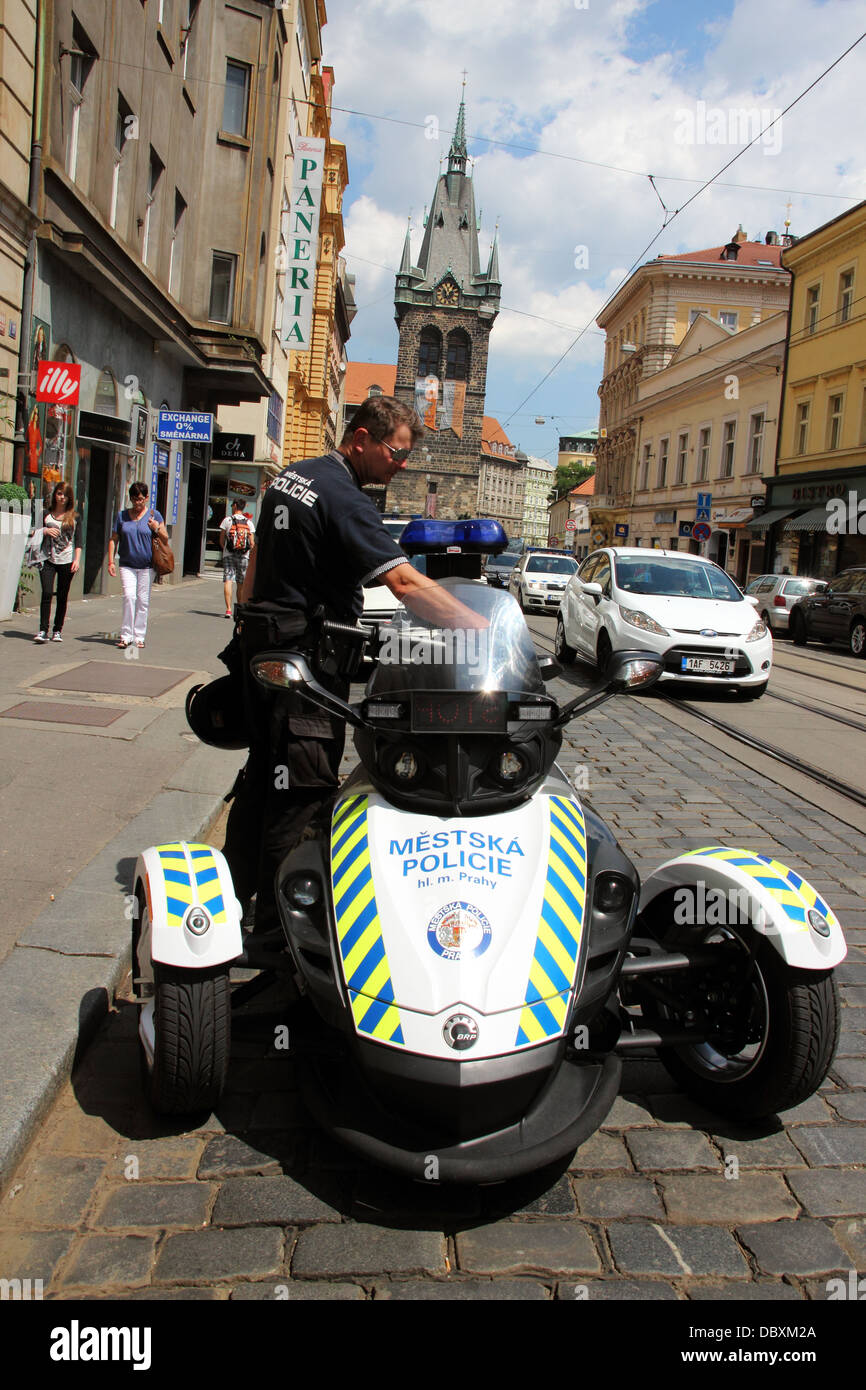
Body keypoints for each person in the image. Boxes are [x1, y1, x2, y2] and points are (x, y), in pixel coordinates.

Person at [222, 394, 485, 934]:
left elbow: (255, 568)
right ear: (361, 439)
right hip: (306, 667)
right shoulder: (345, 497)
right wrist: (482, 628)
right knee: (302, 788)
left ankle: (233, 895)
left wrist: (246, 628)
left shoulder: (292, 478)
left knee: (261, 779)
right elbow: (404, 582)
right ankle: (279, 933)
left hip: (265, 653)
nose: (402, 464)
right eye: (396, 452)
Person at [107, 482, 168, 649]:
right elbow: (114, 539)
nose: (138, 503)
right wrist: (111, 561)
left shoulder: (154, 515)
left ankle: (139, 636)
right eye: (134, 499)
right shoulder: (122, 516)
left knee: (143, 600)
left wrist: (156, 528)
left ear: (147, 498)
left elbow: (165, 538)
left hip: (147, 565)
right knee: (129, 597)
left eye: (141, 499)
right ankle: (126, 635)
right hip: (127, 563)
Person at [34, 481, 81, 643]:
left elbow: (79, 541)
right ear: (55, 494)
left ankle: (57, 630)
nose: (62, 497)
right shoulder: (45, 514)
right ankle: (42, 630)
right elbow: (33, 532)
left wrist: (77, 560)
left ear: (70, 498)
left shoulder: (74, 517)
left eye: (66, 495)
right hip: (47, 558)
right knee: (47, 593)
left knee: (62, 596)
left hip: (67, 560)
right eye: (60, 493)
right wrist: (45, 530)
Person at [219, 497, 255, 618]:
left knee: (228, 580)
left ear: (235, 506)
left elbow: (221, 539)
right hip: (243, 556)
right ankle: (239, 609)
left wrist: (226, 548)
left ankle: (228, 609)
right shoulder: (249, 523)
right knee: (241, 583)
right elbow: (252, 543)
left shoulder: (227, 520)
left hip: (229, 554)